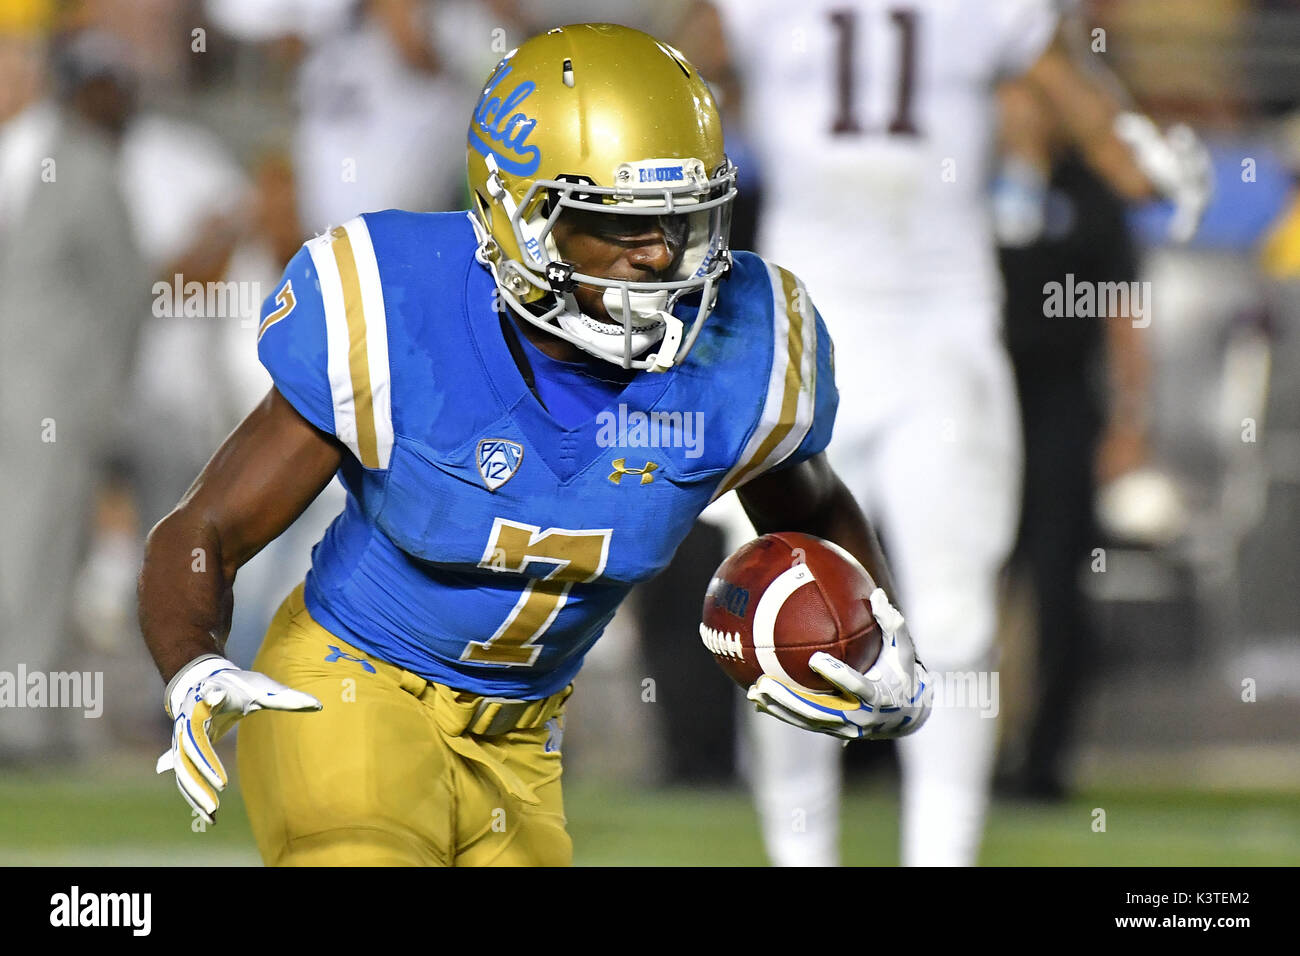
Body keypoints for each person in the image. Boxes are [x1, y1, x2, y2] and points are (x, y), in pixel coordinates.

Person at [137, 23, 933, 866]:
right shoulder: (398, 309)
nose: (661, 254)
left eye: (683, 220)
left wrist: (874, 635)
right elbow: (204, 531)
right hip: (350, 683)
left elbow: (810, 503)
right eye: (620, 226)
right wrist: (192, 665)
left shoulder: (743, 354)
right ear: (523, 217)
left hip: (524, 740)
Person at [679, 0, 1211, 866]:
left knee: (956, 624)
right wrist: (1134, 146)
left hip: (941, 332)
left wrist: (1130, 145)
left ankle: (943, 857)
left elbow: (1089, 118)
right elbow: (681, 79)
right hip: (807, 329)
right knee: (785, 614)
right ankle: (798, 856)